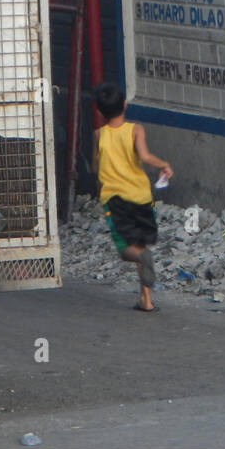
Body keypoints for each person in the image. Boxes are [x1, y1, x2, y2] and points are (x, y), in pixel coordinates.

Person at [93, 81, 172, 313]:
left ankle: (142, 259)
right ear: (125, 105)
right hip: (140, 196)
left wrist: (101, 191)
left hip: (115, 199)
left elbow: (96, 168)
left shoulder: (99, 135)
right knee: (139, 244)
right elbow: (146, 157)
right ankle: (145, 300)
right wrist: (164, 164)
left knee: (126, 249)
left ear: (99, 110)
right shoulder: (136, 129)